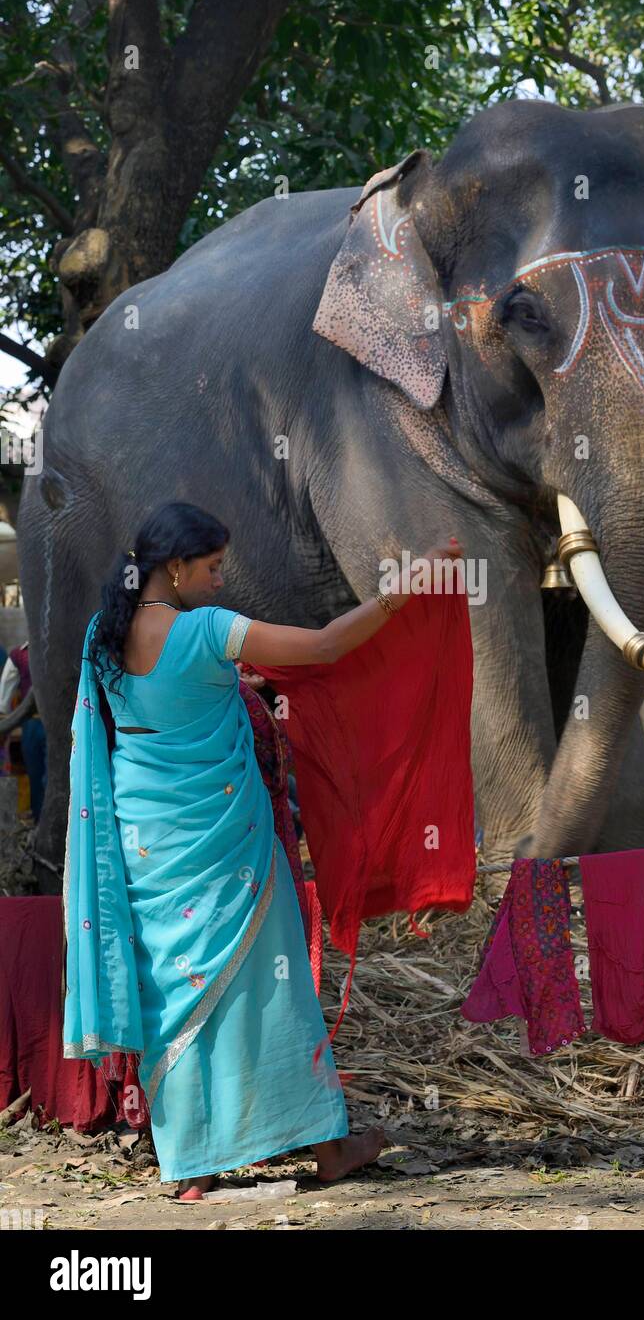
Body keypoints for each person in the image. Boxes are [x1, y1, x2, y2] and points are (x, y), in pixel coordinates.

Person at [63, 501, 463, 1200]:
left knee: (176, 997)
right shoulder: (209, 631)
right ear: (176, 568)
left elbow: (134, 729)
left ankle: (194, 1163)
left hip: (147, 851)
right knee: (274, 995)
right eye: (213, 567)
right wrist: (409, 587)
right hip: (229, 853)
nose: (221, 580)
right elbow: (327, 647)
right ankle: (328, 1147)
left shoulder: (103, 635)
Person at [0, 640, 47, 819]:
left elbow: (4, 698)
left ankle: (42, 819)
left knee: (41, 776)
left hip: (37, 723)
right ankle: (41, 819)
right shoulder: (18, 655)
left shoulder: (18, 655)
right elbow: (4, 696)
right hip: (38, 723)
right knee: (39, 776)